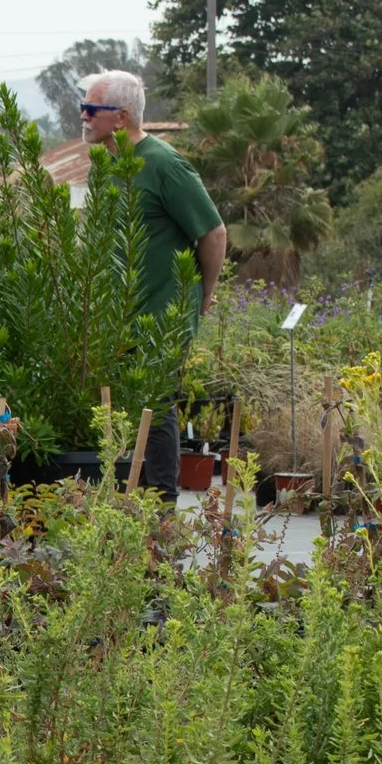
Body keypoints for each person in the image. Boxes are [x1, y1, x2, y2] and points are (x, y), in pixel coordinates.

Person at [79, 68, 225, 498]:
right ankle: (122, 497)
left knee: (155, 401)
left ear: (121, 117)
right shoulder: (103, 163)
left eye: (91, 109)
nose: (83, 117)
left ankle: (161, 505)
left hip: (161, 311)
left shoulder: (164, 164)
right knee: (117, 402)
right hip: (117, 311)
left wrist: (202, 295)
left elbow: (213, 232)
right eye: (82, 108)